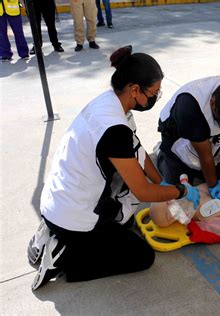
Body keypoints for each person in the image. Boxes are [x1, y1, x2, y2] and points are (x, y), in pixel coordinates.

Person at [27, 45, 201, 291]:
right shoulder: (114, 128)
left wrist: (161, 181)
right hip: (75, 212)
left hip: (61, 197)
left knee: (125, 221)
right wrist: (180, 192)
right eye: (154, 93)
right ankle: (63, 258)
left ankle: (57, 232)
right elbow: (142, 192)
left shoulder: (110, 103)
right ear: (134, 89)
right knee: (141, 256)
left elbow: (137, 151)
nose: (155, 98)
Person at [156, 75, 220, 205]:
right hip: (176, 133)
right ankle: (162, 158)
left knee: (214, 173)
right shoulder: (189, 107)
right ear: (212, 101)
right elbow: (205, 155)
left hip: (204, 135)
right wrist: (213, 186)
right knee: (179, 192)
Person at [150, 178, 220, 227]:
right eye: (167, 204)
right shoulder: (198, 212)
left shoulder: (186, 200)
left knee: (203, 190)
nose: (169, 201)